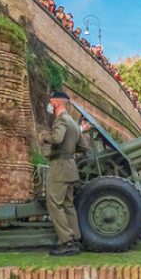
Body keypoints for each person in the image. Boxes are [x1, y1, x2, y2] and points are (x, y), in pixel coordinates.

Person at [42, 90, 88, 256]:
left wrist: (44, 136)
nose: (49, 105)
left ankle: (66, 241)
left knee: (54, 204)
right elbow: (84, 147)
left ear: (57, 103)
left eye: (51, 102)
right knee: (68, 205)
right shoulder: (73, 123)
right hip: (70, 168)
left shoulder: (61, 120)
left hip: (59, 168)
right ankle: (75, 238)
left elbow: (57, 138)